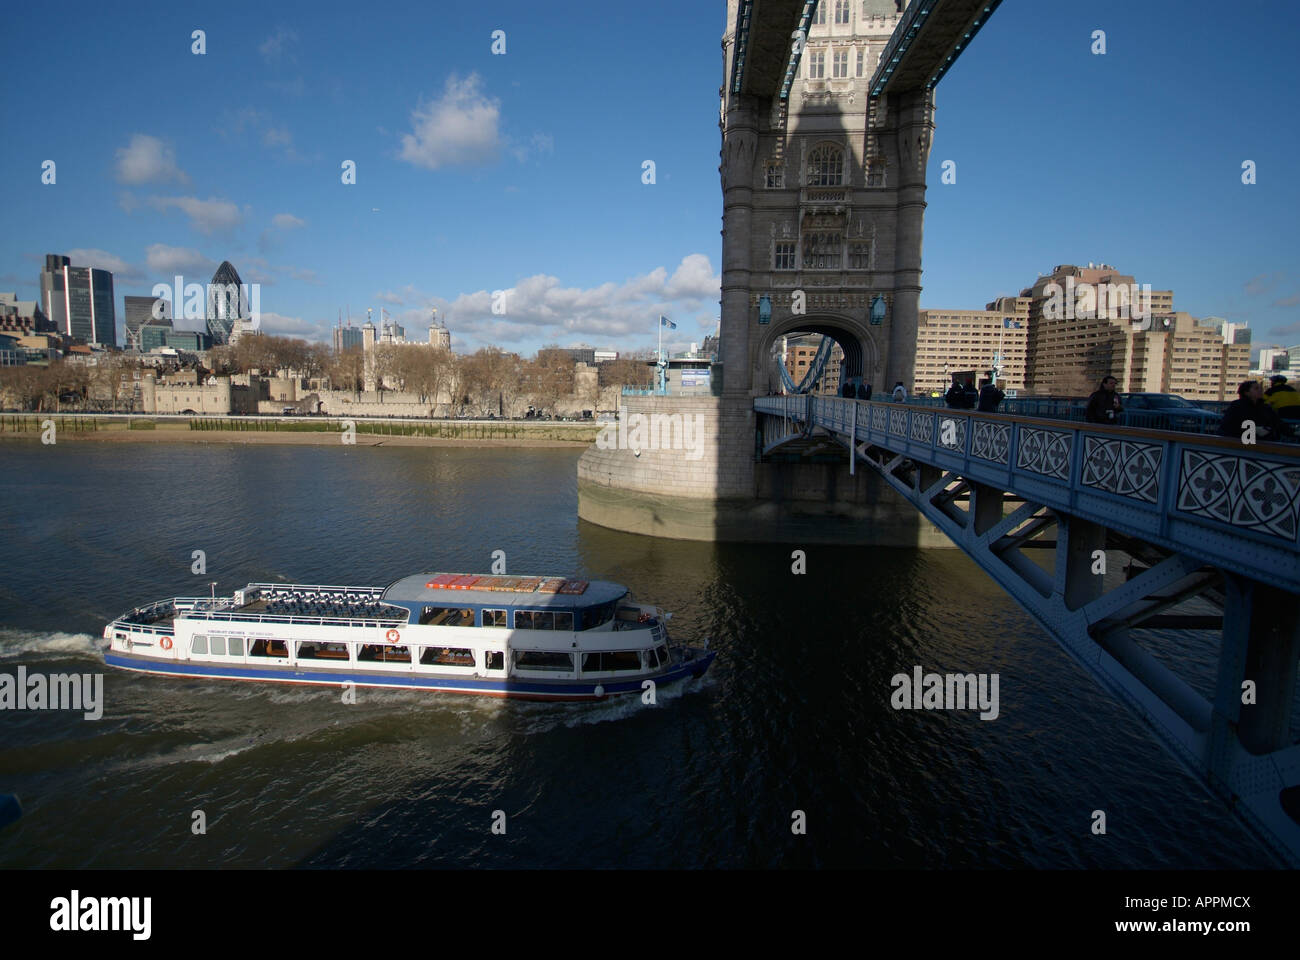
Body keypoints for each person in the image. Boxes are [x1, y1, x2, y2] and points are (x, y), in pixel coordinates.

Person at [1219, 380, 1286, 441]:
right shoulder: (1237, 406)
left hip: (1264, 442)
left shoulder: (1265, 407)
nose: (1260, 390)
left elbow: (1277, 422)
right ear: (1246, 392)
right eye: (1256, 388)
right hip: (1240, 442)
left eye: (1260, 388)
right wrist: (1254, 430)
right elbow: (1229, 426)